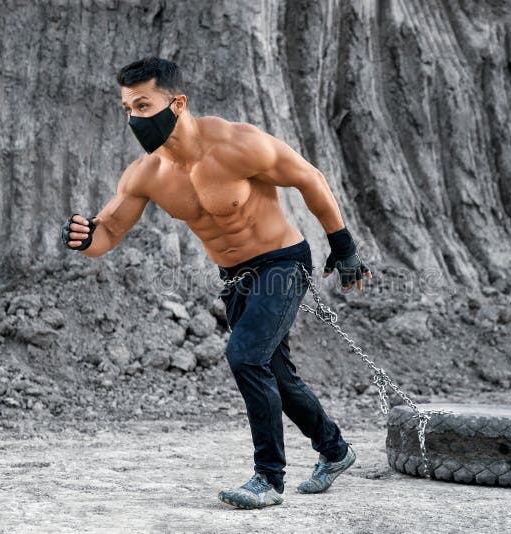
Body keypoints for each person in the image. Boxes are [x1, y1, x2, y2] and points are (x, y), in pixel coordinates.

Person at [60, 57, 372, 510]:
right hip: (235, 278)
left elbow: (308, 177)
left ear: (178, 103)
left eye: (143, 105)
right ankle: (335, 450)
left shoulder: (237, 144)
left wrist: (343, 247)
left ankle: (268, 479)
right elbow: (108, 231)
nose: (134, 118)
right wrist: (85, 239)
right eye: (128, 109)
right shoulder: (146, 173)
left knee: (245, 356)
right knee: (276, 374)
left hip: (282, 263)